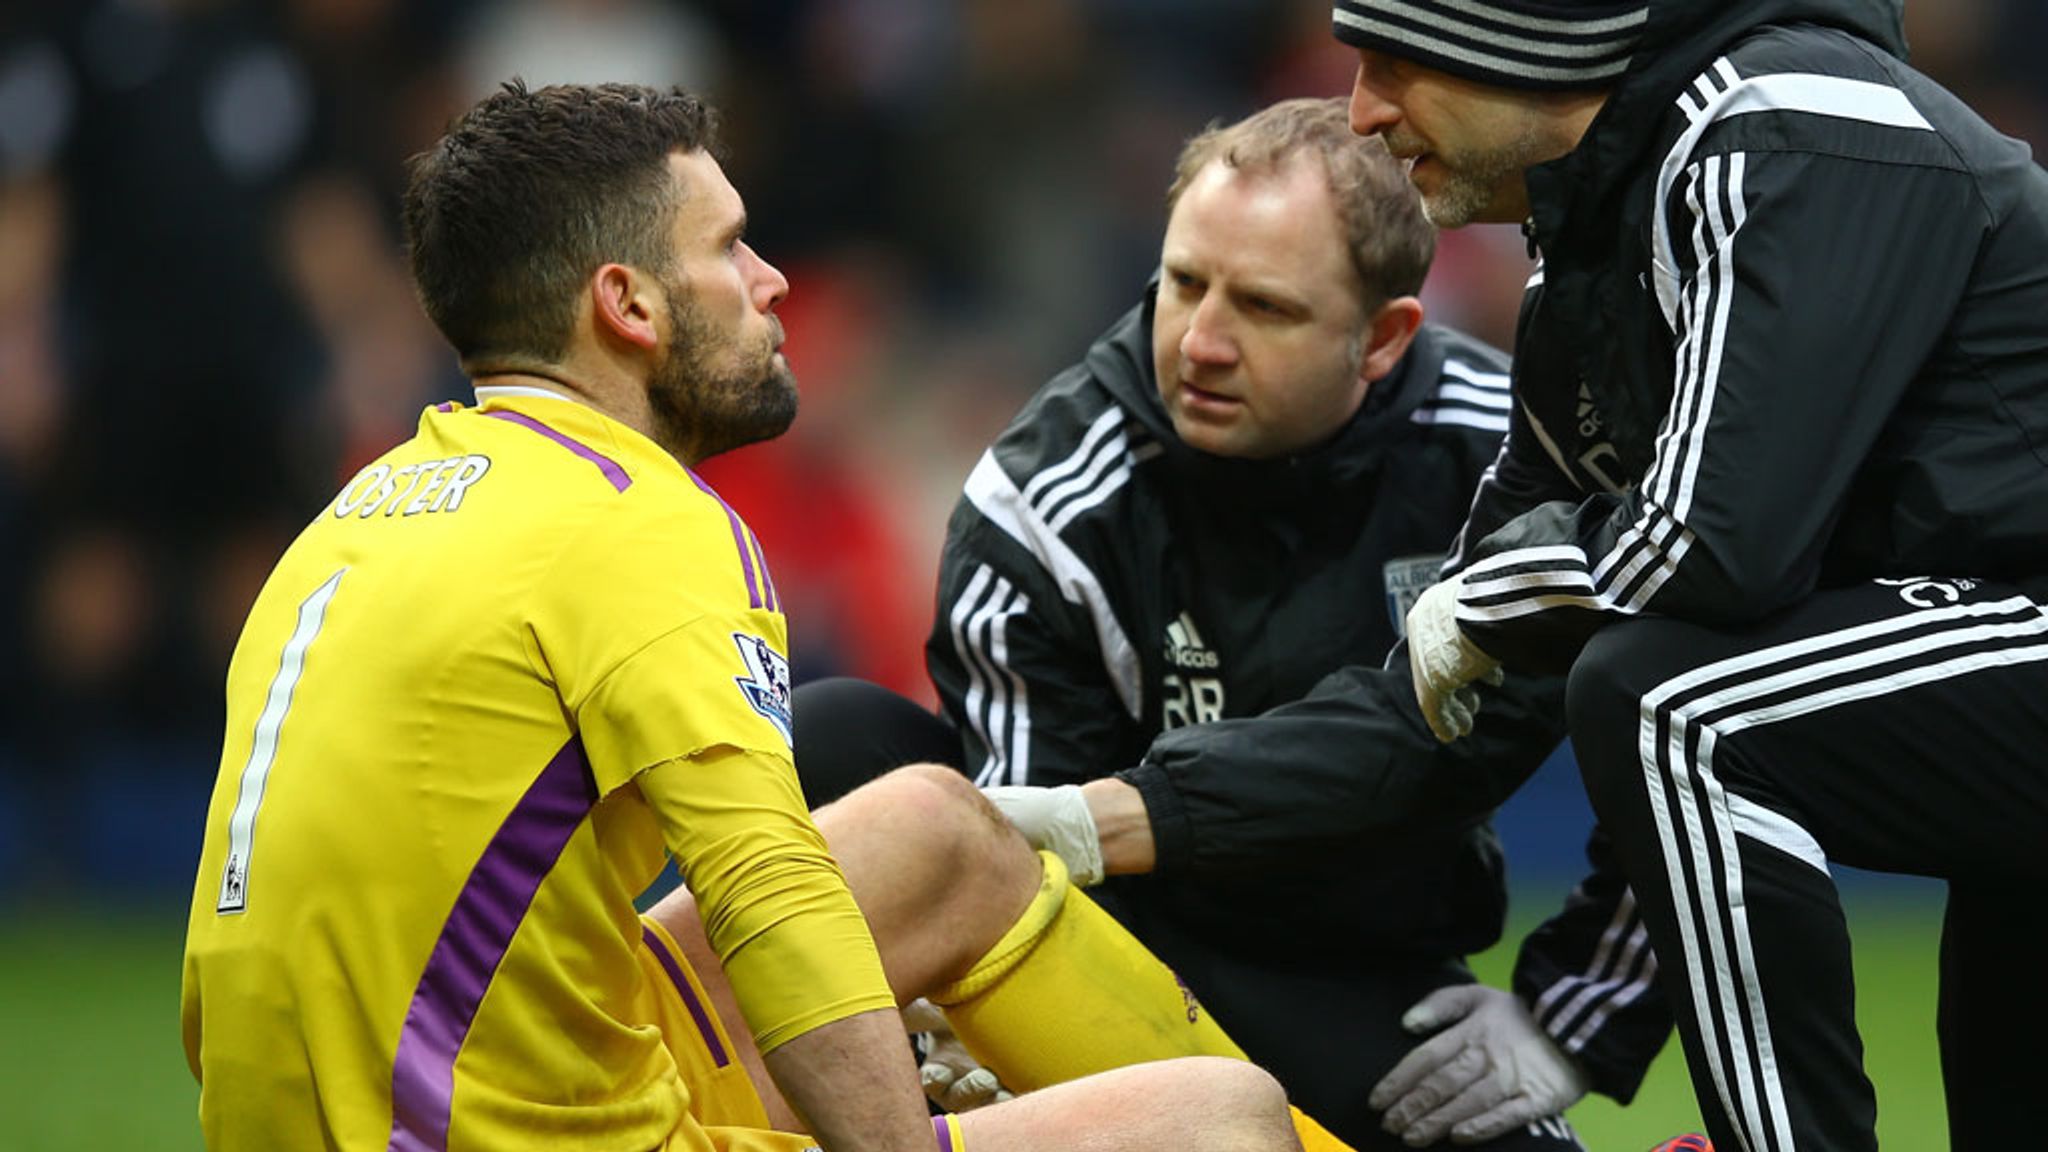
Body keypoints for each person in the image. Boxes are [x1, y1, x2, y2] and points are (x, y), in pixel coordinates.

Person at [179, 79, 1332, 1152]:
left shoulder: (366, 508)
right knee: (1222, 1121)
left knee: (931, 828)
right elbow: (766, 895)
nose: (773, 280)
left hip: (360, 1107)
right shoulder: (638, 520)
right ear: (625, 305)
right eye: (730, 247)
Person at [795, 98, 1662, 1150]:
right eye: (1182, 283)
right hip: (1112, 931)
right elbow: (1017, 858)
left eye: (1264, 307)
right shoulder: (1046, 498)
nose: (1201, 341)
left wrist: (1574, 1013)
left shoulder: (1508, 469)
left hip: (1355, 963)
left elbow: (1677, 729)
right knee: (838, 736)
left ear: (1382, 340)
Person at [1337, 0, 2048, 1148]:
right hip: (1997, 668)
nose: (1361, 109)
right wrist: (1150, 833)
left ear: (1514, 45)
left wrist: (1492, 597)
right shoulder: (1594, 262)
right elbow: (1456, 676)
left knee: (1663, 702)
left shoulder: (1785, 121)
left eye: (1393, 61)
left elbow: (1713, 553)